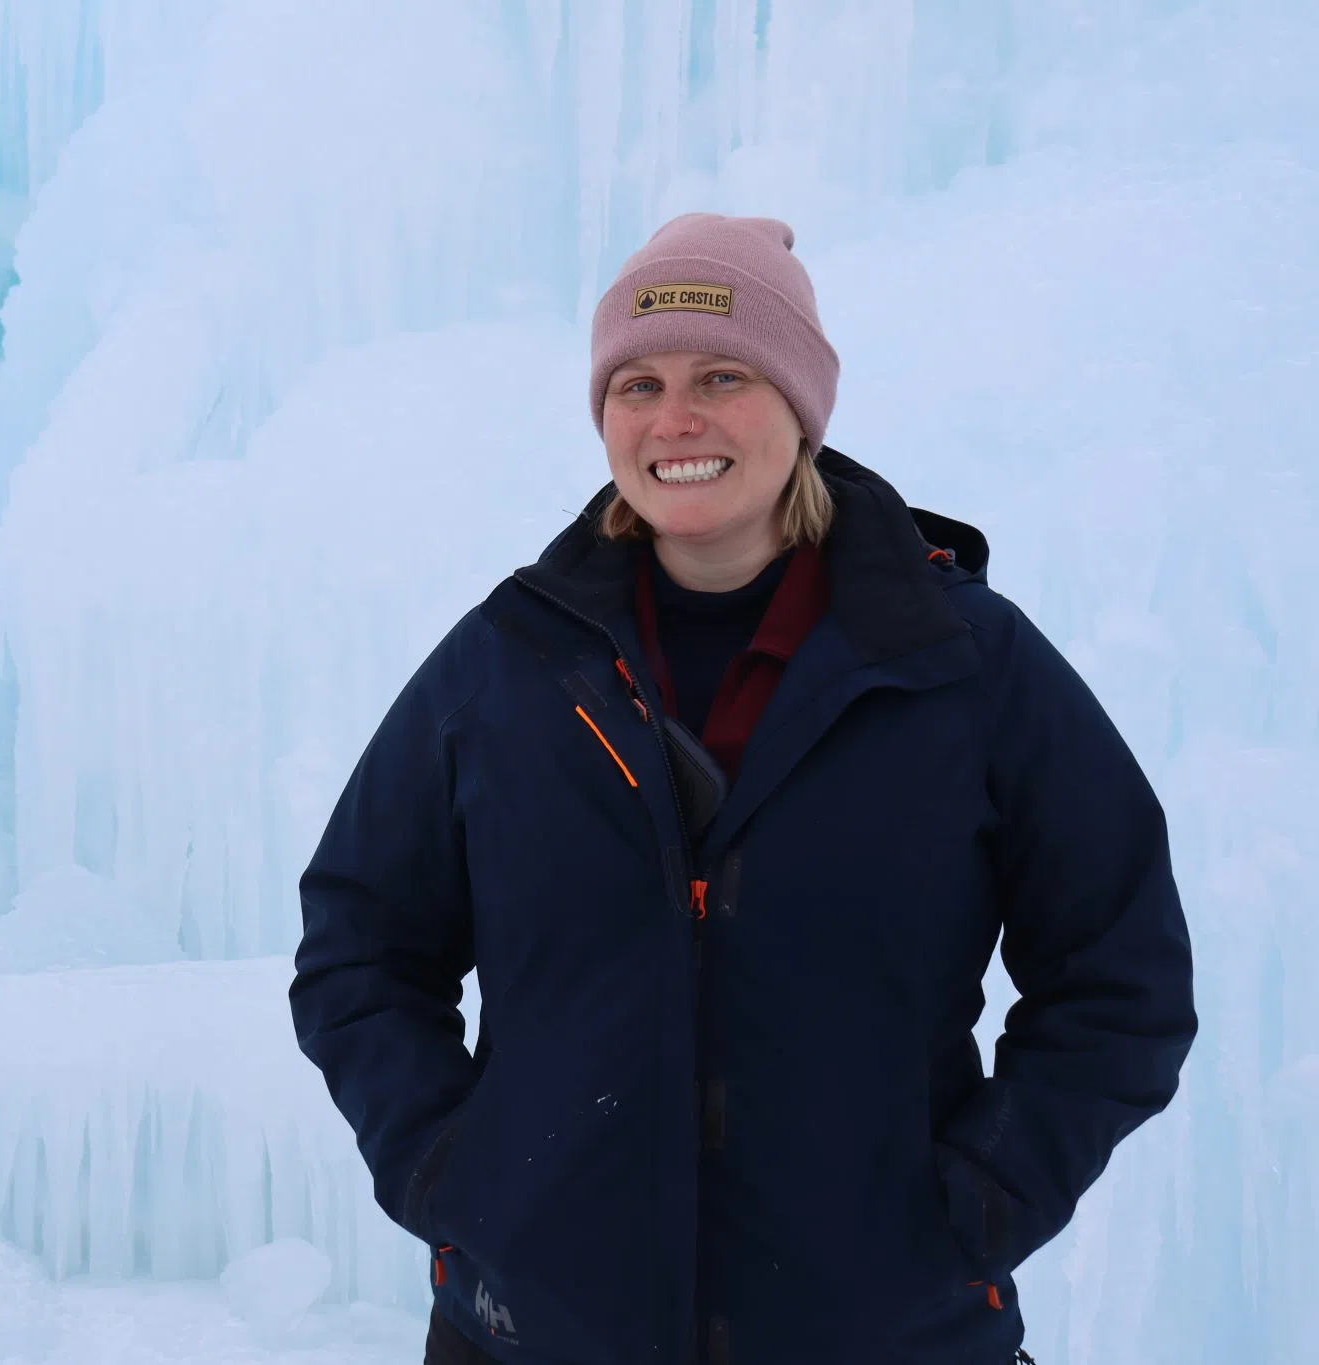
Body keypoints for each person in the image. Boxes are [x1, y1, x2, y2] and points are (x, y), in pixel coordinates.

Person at [288, 213, 1196, 1365]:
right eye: (636, 383)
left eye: (723, 375)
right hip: (538, 1339)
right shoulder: (508, 663)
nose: (675, 419)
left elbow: (1121, 978)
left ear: (800, 405)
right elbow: (357, 948)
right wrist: (450, 1171)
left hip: (882, 1337)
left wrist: (979, 1206)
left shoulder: (960, 664)